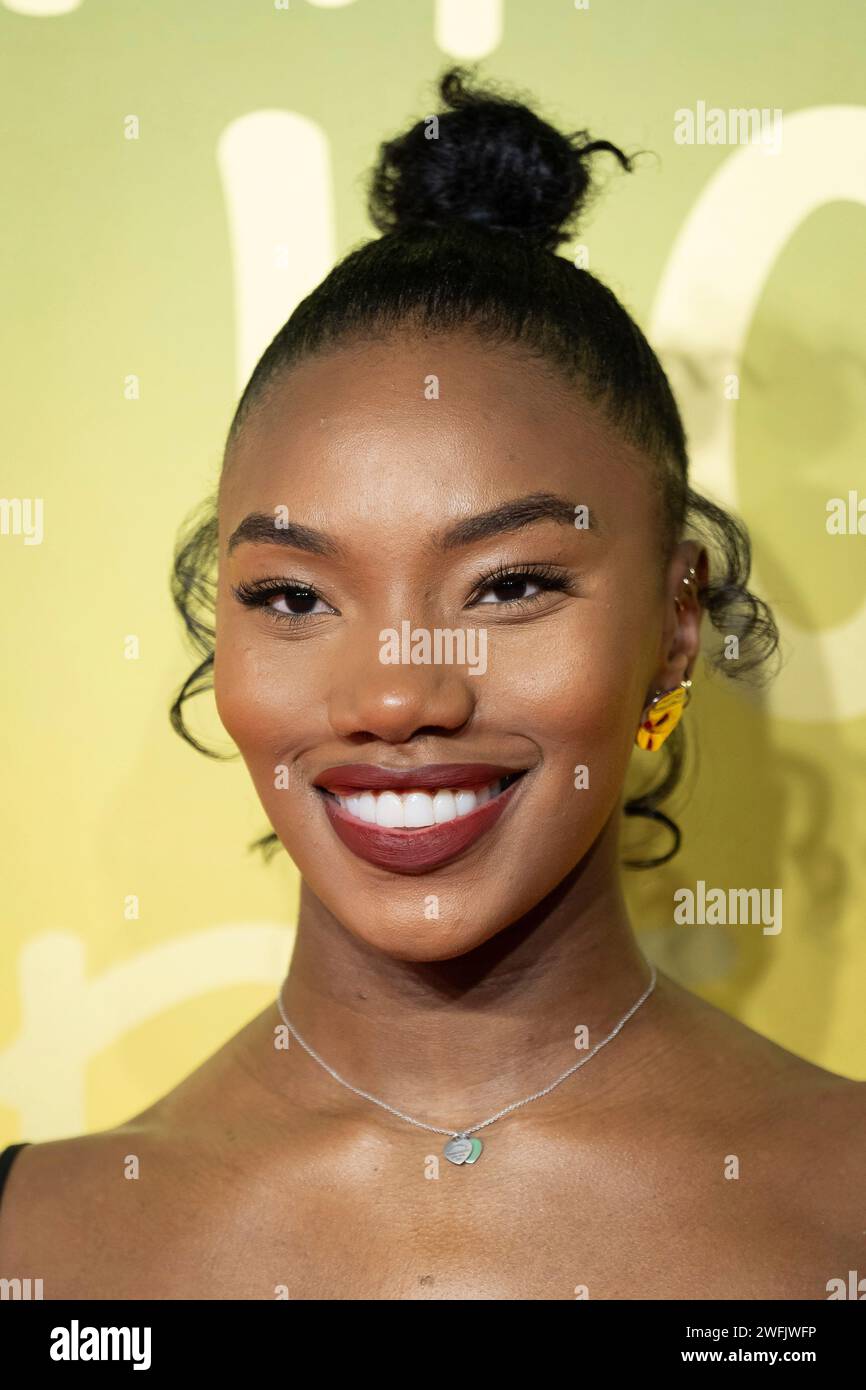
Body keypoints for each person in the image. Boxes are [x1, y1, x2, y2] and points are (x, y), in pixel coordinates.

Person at [1, 66, 863, 1301]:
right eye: (293, 596)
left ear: (675, 622)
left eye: (505, 587)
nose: (397, 698)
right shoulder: (33, 1243)